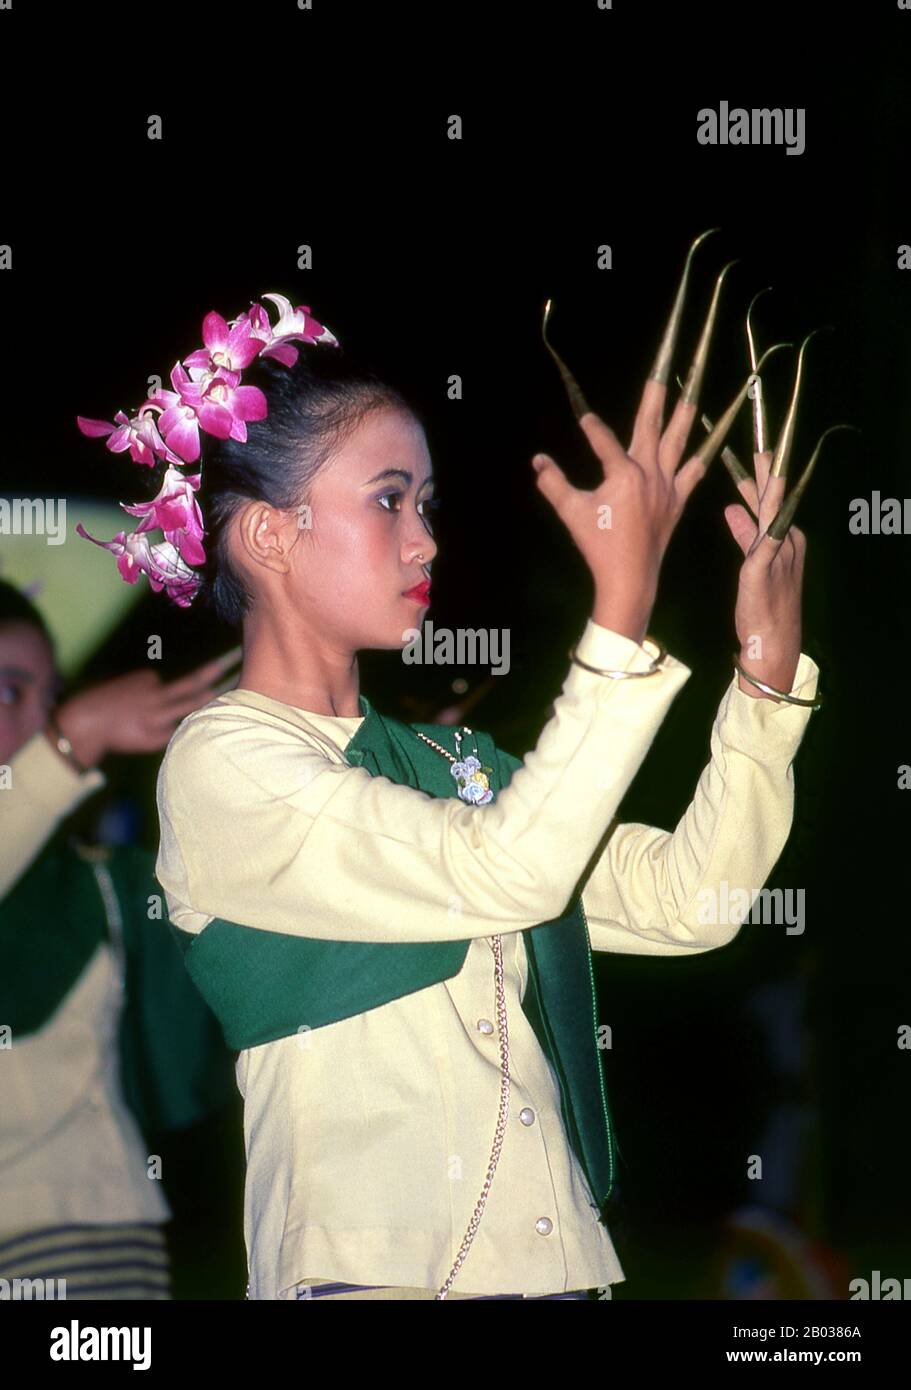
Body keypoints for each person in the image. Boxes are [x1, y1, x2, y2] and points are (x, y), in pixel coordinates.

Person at [78, 279, 822, 1299]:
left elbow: (692, 904)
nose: (424, 538)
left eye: (424, 504)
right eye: (387, 499)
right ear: (268, 536)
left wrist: (764, 682)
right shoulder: (223, 765)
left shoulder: (447, 767)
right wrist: (619, 606)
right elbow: (507, 870)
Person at [0, 578, 239, 1298]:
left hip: (114, 1246)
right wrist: (71, 741)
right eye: (10, 692)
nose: (42, 720)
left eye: (49, 697)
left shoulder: (103, 879)